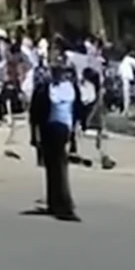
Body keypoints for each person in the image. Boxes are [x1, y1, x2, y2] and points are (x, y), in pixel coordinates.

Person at [29, 47, 80, 221]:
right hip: (49, 129)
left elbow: (76, 111)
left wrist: (75, 133)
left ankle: (63, 202)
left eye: (60, 71)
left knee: (59, 165)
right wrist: (34, 135)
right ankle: (55, 201)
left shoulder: (70, 88)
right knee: (53, 166)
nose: (58, 74)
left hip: (63, 129)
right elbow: (35, 114)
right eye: (56, 71)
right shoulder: (45, 89)